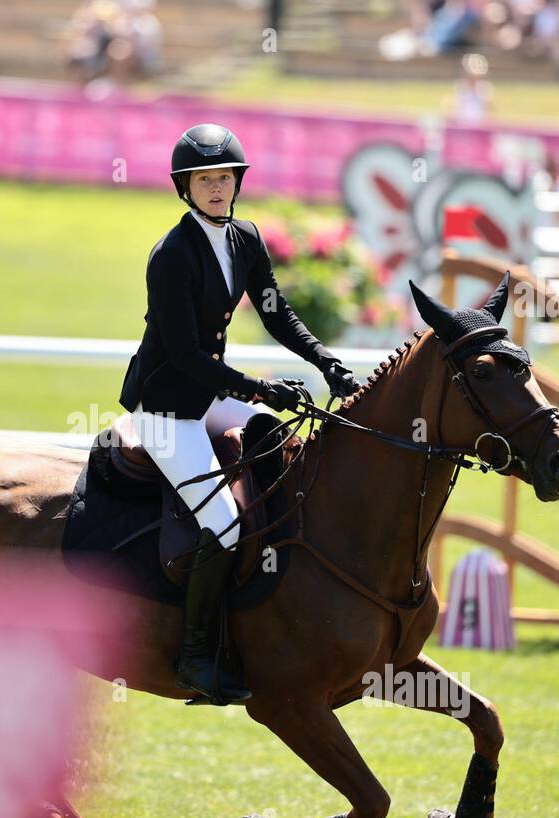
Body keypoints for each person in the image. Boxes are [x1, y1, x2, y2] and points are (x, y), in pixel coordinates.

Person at [119, 123, 360, 704]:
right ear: (186, 187)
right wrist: (256, 388)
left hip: (209, 393)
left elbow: (276, 312)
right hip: (167, 408)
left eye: (226, 177)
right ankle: (196, 656)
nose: (218, 188)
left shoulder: (246, 239)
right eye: (206, 180)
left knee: (283, 456)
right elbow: (184, 356)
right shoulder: (171, 256)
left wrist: (325, 361)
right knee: (223, 524)